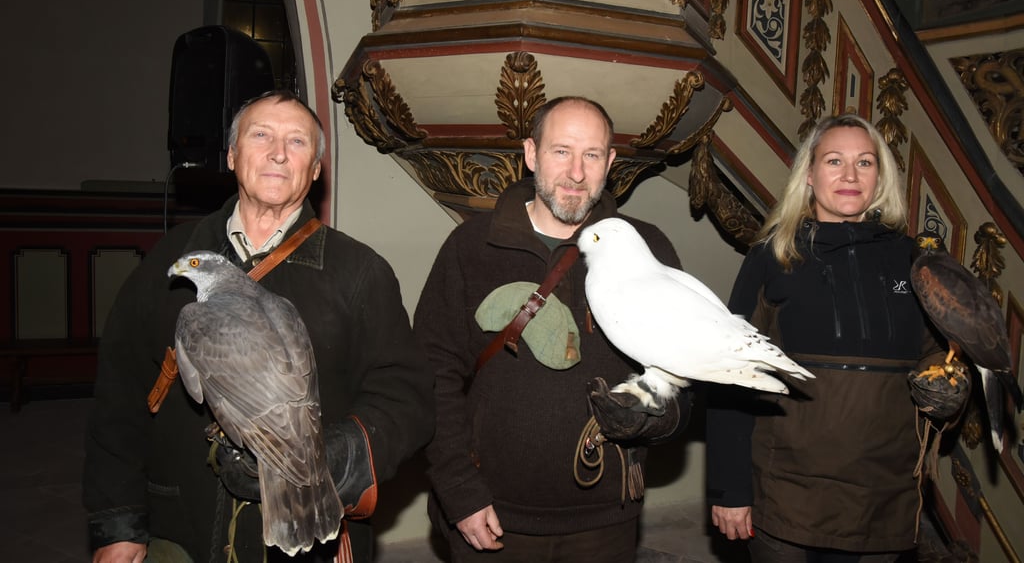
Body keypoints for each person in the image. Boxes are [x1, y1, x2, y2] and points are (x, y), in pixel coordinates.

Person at [83, 89, 435, 563]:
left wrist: (324, 459)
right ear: (231, 155)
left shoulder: (360, 272)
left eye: (297, 142)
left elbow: (407, 397)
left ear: (315, 171)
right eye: (261, 135)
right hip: (182, 524)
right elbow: (120, 392)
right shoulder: (172, 258)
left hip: (306, 529)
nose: (277, 153)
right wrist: (119, 523)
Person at [414, 96, 693, 562]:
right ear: (530, 154)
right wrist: (458, 490)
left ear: (610, 163)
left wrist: (656, 417)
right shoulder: (471, 246)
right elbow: (431, 376)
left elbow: (685, 373)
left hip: (606, 519)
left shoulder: (648, 248)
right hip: (491, 515)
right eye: (561, 151)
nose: (576, 173)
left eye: (592, 155)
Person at [705, 113, 955, 561]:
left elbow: (940, 356)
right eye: (834, 160)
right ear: (810, 174)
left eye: (865, 162)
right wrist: (729, 486)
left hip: (884, 495)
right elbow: (731, 374)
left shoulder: (913, 262)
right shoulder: (771, 257)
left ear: (880, 178)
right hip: (786, 493)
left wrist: (953, 387)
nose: (849, 175)